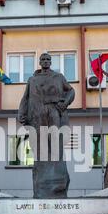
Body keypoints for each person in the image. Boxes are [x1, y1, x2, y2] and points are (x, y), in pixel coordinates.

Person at [18, 53, 75, 198]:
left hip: (54, 112)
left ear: (51, 62)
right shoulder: (32, 80)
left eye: (48, 59)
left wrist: (65, 103)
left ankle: (57, 180)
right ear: (39, 62)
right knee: (40, 149)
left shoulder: (58, 77)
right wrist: (22, 114)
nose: (45, 61)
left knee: (55, 146)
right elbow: (26, 98)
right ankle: (42, 183)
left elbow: (71, 91)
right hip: (37, 115)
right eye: (43, 59)